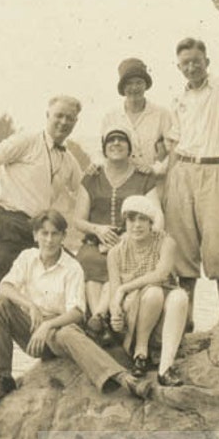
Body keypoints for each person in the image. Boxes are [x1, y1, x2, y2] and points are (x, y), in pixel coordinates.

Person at [0, 210, 153, 403]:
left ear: (63, 236)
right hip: (31, 331)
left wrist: (48, 325)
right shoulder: (27, 257)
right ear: (35, 235)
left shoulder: (72, 267)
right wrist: (30, 306)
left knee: (65, 332)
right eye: (44, 234)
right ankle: (1, 378)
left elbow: (77, 313)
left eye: (55, 234)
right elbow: (5, 286)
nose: (49, 240)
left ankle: (124, 379)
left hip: (60, 333)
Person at [163, 0, 219, 329]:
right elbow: (171, 142)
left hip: (216, 171)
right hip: (181, 173)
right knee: (183, 250)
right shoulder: (178, 99)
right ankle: (189, 319)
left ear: (206, 61)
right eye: (185, 62)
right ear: (178, 66)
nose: (192, 67)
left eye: (197, 61)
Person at [0, 96, 84, 298]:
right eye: (59, 115)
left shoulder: (69, 160)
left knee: (72, 271)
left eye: (70, 118)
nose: (63, 122)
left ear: (76, 122)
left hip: (39, 232)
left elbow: (87, 192)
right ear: (47, 115)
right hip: (7, 226)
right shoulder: (28, 141)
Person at [71, 126, 158, 338]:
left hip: (130, 243)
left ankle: (101, 316)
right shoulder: (91, 177)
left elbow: (156, 214)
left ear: (130, 148)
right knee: (89, 260)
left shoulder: (143, 177)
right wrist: (97, 229)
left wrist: (129, 236)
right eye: (111, 140)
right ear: (104, 148)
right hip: (95, 242)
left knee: (117, 264)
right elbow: (77, 220)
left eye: (122, 140)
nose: (116, 143)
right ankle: (100, 323)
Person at [106, 195, 188, 387]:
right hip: (135, 316)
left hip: (163, 314)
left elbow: (160, 275)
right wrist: (115, 314)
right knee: (153, 294)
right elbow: (113, 295)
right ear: (124, 222)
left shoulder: (166, 242)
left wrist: (124, 288)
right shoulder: (115, 252)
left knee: (179, 297)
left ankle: (165, 368)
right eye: (131, 219)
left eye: (143, 219)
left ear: (151, 223)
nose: (137, 225)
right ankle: (140, 353)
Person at [100, 58, 174, 175]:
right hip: (123, 181)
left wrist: (156, 168)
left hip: (155, 181)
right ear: (122, 87)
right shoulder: (111, 117)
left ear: (146, 85)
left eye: (139, 82)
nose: (134, 88)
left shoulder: (162, 114)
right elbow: (103, 152)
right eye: (129, 83)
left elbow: (173, 151)